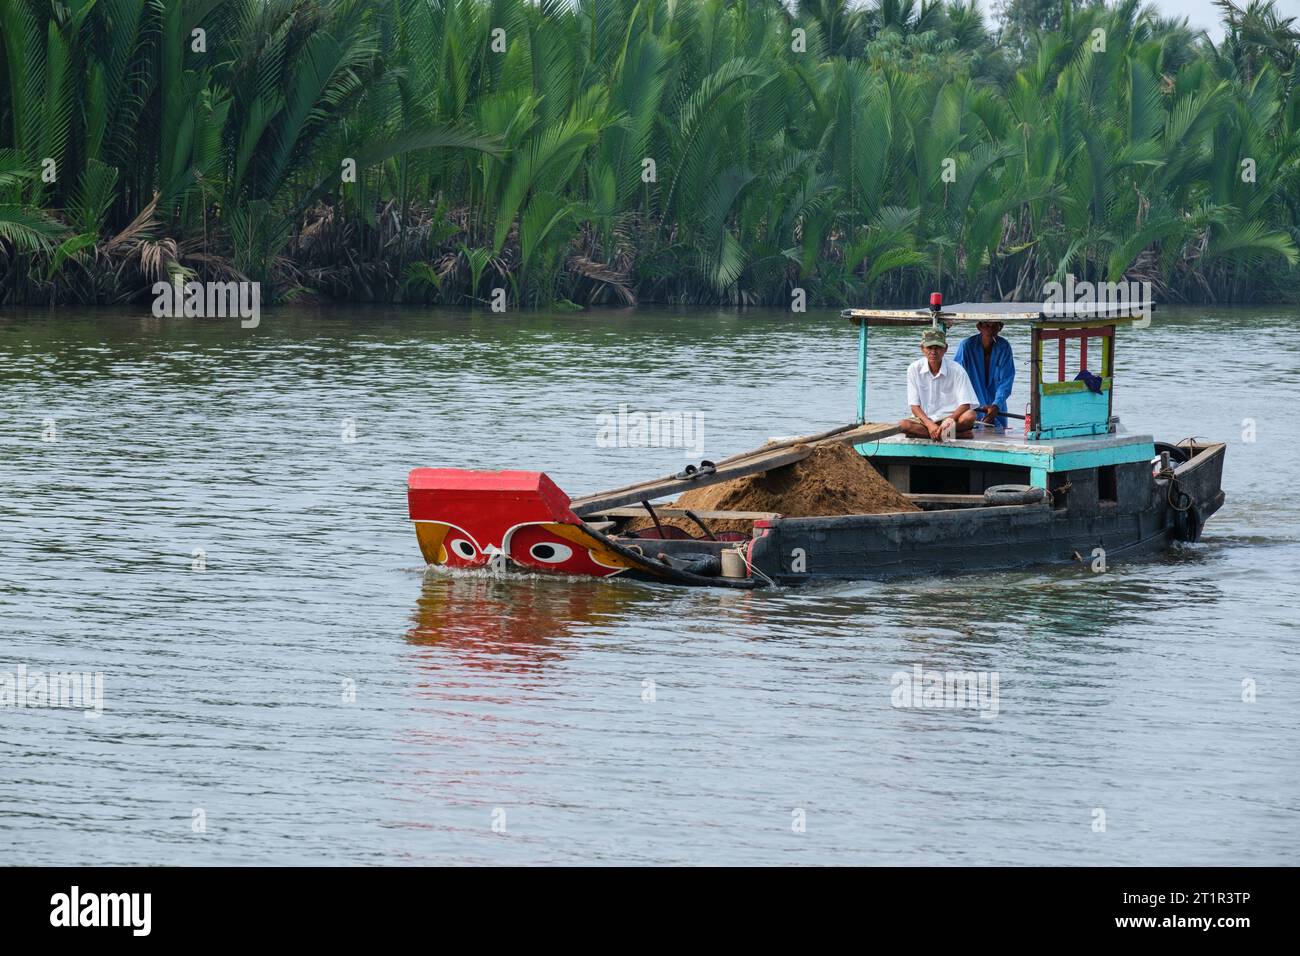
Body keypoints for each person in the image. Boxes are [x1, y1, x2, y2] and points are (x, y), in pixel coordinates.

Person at [899, 328, 979, 440]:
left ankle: (932, 434)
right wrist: (929, 424)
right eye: (929, 348)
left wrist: (951, 418)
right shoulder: (914, 369)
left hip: (950, 420)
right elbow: (914, 406)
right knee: (903, 425)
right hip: (925, 420)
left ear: (945, 348)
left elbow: (966, 403)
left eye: (938, 348)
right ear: (922, 349)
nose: (933, 352)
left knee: (970, 415)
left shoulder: (957, 370)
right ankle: (957, 435)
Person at [953, 320, 1015, 428]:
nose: (990, 328)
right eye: (986, 325)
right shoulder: (967, 346)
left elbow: (1006, 380)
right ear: (979, 327)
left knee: (998, 434)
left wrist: (996, 405)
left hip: (997, 407)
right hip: (972, 407)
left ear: (1000, 328)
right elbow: (956, 376)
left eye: (994, 325)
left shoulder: (1004, 347)